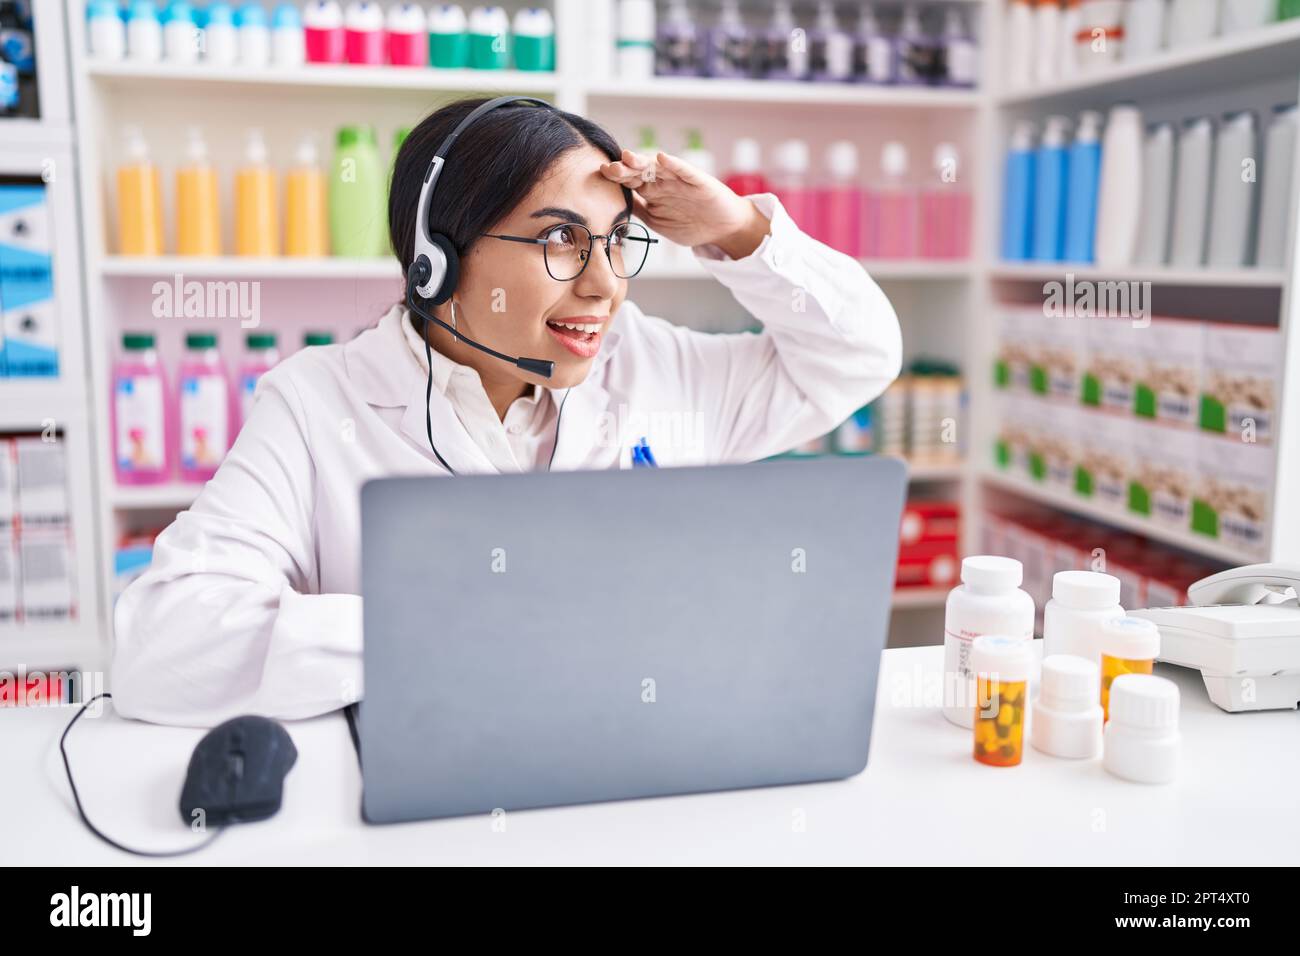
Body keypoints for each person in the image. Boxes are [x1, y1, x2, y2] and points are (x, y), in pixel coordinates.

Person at [112, 98, 902, 726]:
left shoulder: (655, 367)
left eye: (617, 240)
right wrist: (471, 631)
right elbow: (165, 644)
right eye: (561, 238)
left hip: (639, 767)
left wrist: (739, 232)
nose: (605, 286)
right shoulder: (319, 403)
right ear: (438, 261)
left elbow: (857, 354)